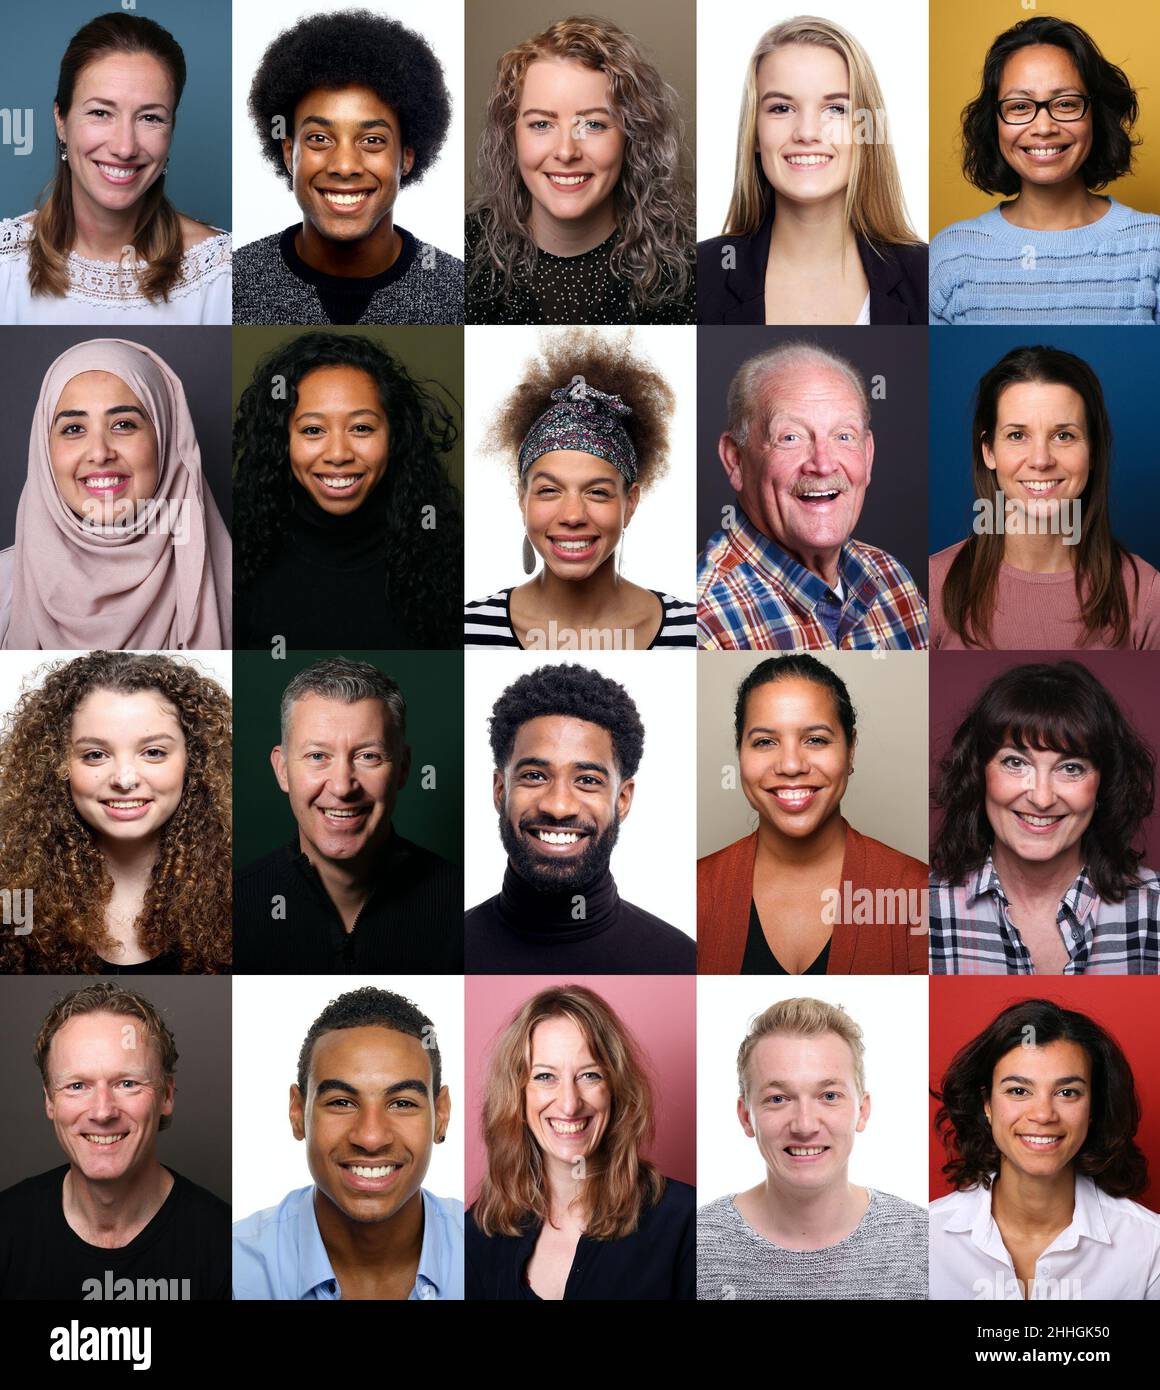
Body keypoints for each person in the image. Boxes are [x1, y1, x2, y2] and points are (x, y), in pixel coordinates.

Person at [0, 652, 232, 975]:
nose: (125, 779)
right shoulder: (14, 900)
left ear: (193, 762)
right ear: (57, 765)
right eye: (95, 755)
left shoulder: (239, 896)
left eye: (153, 752)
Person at [464, 330, 694, 649]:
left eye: (597, 492)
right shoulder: (468, 631)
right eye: (549, 491)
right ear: (522, 500)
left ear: (630, 503)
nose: (573, 515)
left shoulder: (692, 632)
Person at [232, 332, 463, 649]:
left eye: (361, 428)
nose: (338, 454)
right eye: (313, 430)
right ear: (282, 441)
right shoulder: (233, 557)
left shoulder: (450, 555)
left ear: (393, 436)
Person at [698, 656, 927, 974]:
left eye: (815, 740)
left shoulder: (917, 892)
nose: (791, 765)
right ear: (740, 752)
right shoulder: (694, 892)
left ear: (850, 750)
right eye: (765, 742)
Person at [0, 983, 229, 1298]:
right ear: (49, 1102)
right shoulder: (7, 1225)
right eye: (77, 1086)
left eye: (127, 1083)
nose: (103, 1111)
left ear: (167, 1095)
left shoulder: (227, 1247)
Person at [0, 338, 231, 651]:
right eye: (73, 429)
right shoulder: (4, 586)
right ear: (44, 448)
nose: (99, 452)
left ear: (165, 437)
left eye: (124, 424)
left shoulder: (236, 587)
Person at [233, 10, 462, 325]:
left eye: (371, 140)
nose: (344, 165)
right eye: (319, 138)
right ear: (288, 153)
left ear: (407, 157)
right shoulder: (235, 282)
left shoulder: (455, 291)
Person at [929, 661, 1159, 974]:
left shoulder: (1154, 910)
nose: (1042, 798)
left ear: (1103, 783)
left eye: (1071, 768)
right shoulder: (923, 910)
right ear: (979, 774)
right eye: (1015, 762)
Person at [466, 985, 694, 1299]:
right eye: (545, 1076)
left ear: (615, 1089)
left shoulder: (686, 1222)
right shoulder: (479, 1231)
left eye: (590, 1075)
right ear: (517, 1095)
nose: (570, 1104)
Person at [233, 659, 461, 973]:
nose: (342, 787)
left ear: (403, 769)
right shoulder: (229, 909)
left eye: (368, 756)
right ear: (282, 769)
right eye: (317, 756)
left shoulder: (461, 908)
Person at [233, 987, 462, 1300]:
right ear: (297, 1113)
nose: (370, 1137)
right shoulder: (234, 1268)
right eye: (341, 1102)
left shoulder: (483, 1250)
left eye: (402, 1103)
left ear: (442, 1114)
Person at [0, 12, 229, 324]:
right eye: (100, 112)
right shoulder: (6, 265)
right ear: (61, 121)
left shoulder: (224, 276)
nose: (125, 147)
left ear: (171, 129)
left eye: (150, 118)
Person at [465, 663, 695, 973]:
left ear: (622, 799)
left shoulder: (681, 960)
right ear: (500, 790)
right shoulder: (439, 952)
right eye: (534, 775)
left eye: (587, 780)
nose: (559, 807)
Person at [697, 341, 928, 650]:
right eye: (790, 437)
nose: (823, 464)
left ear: (868, 455)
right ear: (735, 459)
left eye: (843, 436)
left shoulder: (892, 578)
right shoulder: (703, 620)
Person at [930, 16, 1160, 324]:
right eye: (1020, 106)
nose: (1043, 127)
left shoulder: (1152, 247)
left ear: (1096, 115)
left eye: (1065, 104)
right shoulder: (949, 256)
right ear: (994, 121)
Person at [698, 17, 926, 326]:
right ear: (753, 133)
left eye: (835, 109)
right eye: (781, 108)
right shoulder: (698, 274)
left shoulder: (928, 274)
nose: (807, 132)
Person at [466, 16, 695, 325]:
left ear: (631, 137)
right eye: (542, 124)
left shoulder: (692, 264)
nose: (566, 151)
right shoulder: (460, 253)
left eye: (594, 124)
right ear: (512, 134)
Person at [930, 345, 1160, 649]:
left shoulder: (1146, 594)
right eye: (1017, 435)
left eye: (1063, 435)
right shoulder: (931, 586)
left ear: (1092, 450)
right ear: (988, 451)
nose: (1040, 460)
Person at [698, 997, 927, 1299]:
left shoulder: (924, 1241)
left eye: (829, 1096)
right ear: (745, 1117)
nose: (804, 1126)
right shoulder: (695, 1242)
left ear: (863, 1110)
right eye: (778, 1099)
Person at [931, 998, 1160, 1299]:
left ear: (1093, 1106)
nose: (1043, 1114)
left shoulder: (1150, 1246)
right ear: (986, 1103)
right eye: (1018, 1091)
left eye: (1067, 1092)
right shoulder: (925, 1237)